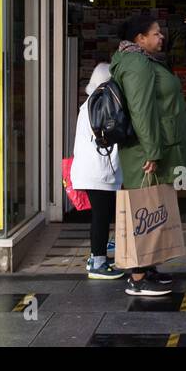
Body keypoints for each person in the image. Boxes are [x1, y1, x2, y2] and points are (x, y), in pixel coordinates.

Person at [111, 12, 186, 297]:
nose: (161, 37)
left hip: (154, 148)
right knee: (142, 208)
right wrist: (153, 151)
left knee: (153, 208)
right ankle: (138, 276)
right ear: (139, 39)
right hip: (146, 152)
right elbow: (142, 110)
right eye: (155, 33)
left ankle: (149, 267)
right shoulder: (136, 64)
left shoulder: (142, 61)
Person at [69, 62, 124, 279]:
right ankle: (97, 261)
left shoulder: (90, 103)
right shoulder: (102, 103)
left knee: (103, 213)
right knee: (101, 215)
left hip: (94, 169)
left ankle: (99, 255)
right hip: (98, 171)